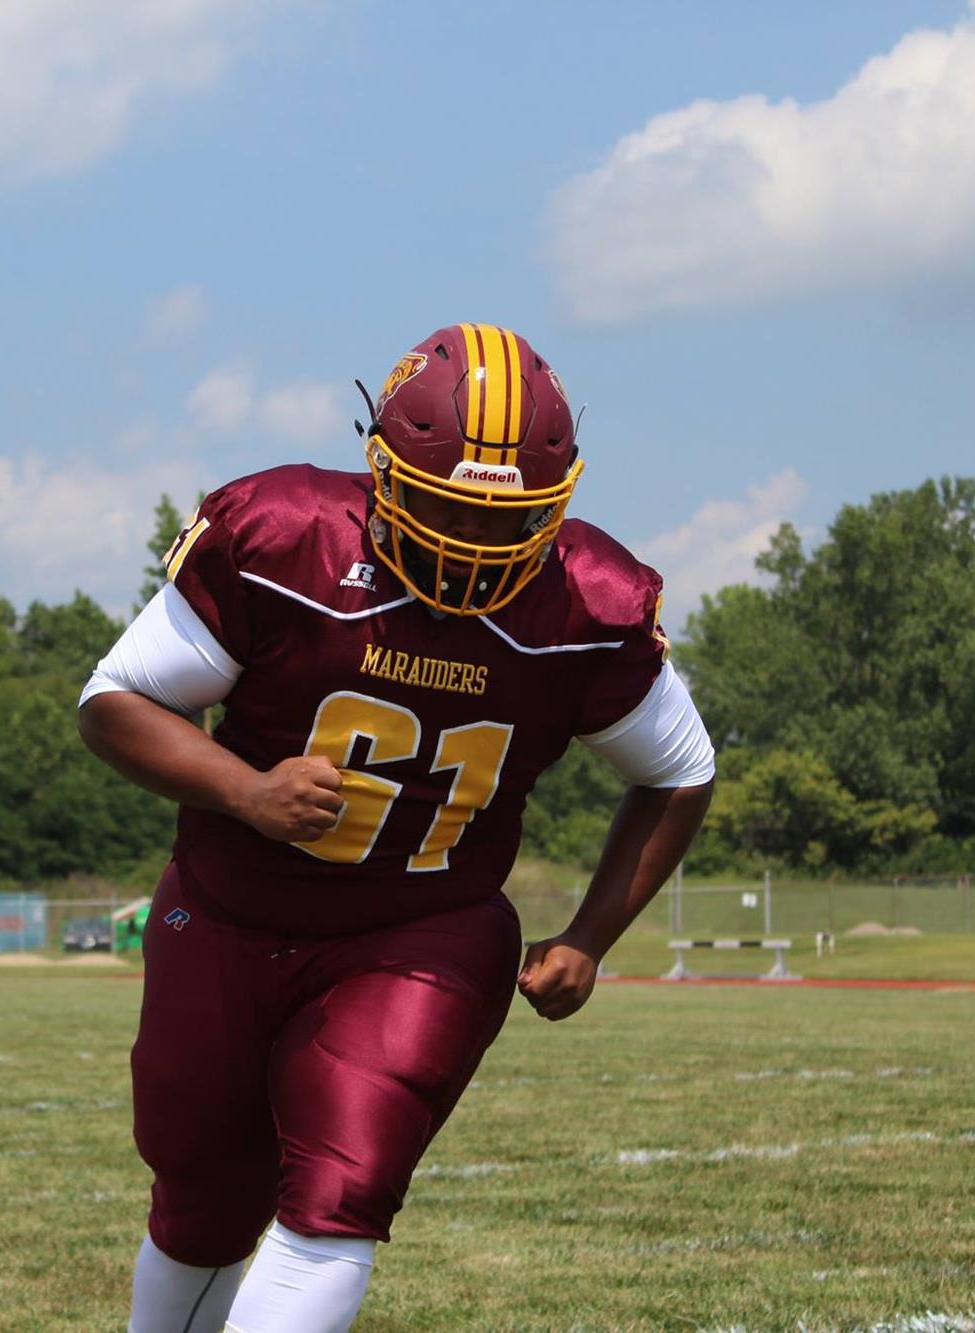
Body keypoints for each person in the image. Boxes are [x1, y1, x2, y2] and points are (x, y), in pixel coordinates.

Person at [78, 323, 716, 1332]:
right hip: (229, 912)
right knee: (200, 1202)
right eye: (445, 508)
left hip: (424, 927)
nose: (473, 545)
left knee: (341, 1191)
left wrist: (591, 935)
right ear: (378, 471)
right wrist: (243, 792)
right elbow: (113, 701)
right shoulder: (285, 538)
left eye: (504, 521)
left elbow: (680, 771)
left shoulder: (584, 603)